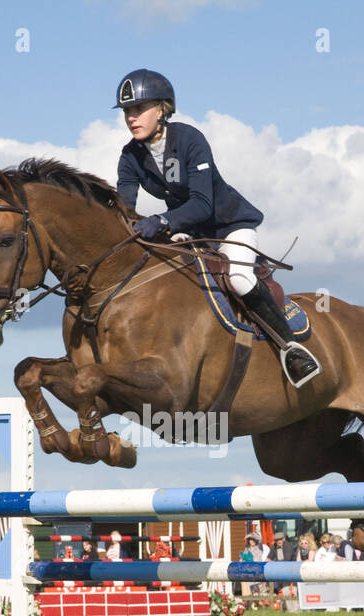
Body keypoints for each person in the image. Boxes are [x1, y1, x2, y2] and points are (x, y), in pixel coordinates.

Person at [113, 68, 321, 388]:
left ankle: (291, 349)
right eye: (127, 111)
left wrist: (163, 220)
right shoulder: (130, 157)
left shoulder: (189, 139)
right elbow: (123, 208)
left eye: (139, 109)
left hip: (228, 225)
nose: (131, 117)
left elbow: (202, 204)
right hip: (189, 231)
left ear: (162, 109)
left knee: (238, 278)